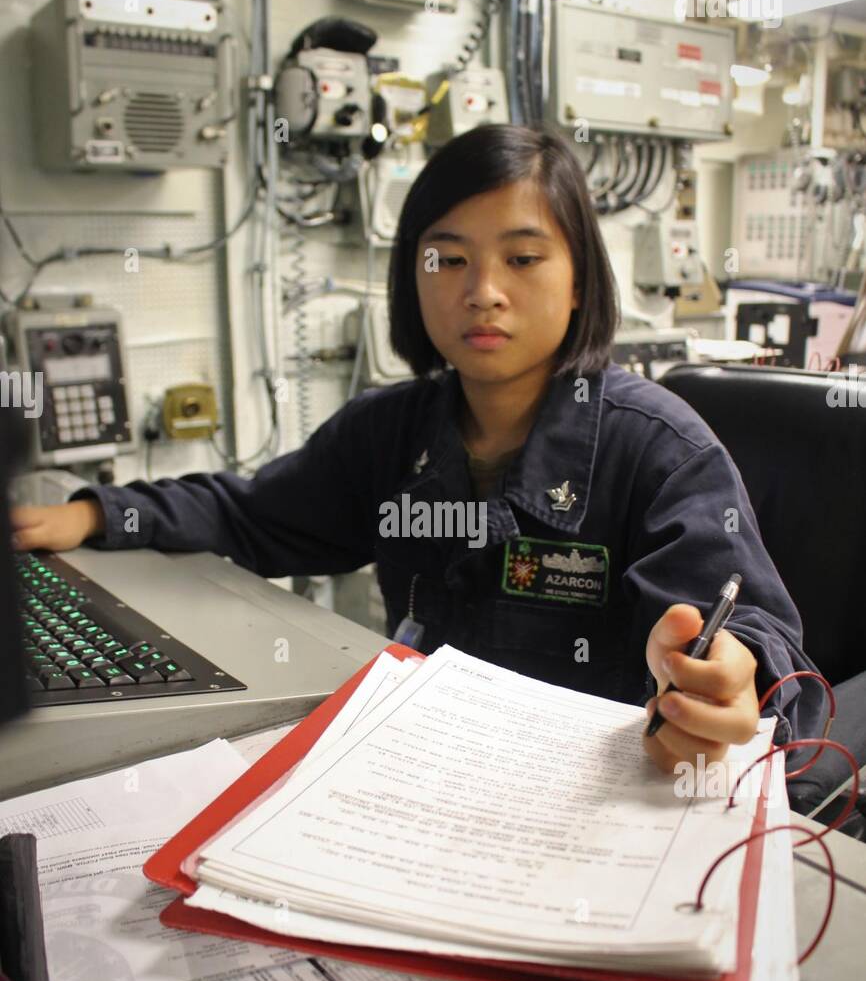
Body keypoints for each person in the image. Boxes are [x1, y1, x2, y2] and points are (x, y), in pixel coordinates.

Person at [11, 123, 824, 773]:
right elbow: (253, 515)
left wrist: (735, 682)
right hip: (421, 774)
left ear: (579, 282)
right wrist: (95, 513)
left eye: (523, 257)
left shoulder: (662, 450)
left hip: (593, 802)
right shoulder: (389, 432)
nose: (484, 291)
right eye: (449, 259)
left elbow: (761, 646)